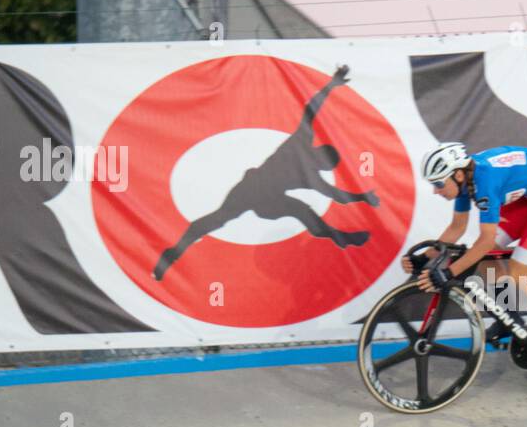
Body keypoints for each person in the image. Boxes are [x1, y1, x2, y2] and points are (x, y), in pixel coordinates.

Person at [153, 64, 378, 281]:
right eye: (323, 164)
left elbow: (336, 195)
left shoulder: (311, 172)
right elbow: (311, 111)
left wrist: (363, 198)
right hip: (251, 188)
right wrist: (330, 85)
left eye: (323, 168)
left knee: (302, 211)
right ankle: (173, 253)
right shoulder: (299, 144)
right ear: (319, 154)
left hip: (268, 201)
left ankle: (340, 238)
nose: (319, 167)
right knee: (216, 220)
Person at [404, 142, 527, 363]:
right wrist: (424, 257)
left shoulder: (484, 181)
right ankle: (509, 318)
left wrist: (450, 272)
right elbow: (457, 228)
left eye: (438, 183)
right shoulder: (466, 179)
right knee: (488, 254)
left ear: (456, 174)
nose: (436, 191)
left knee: (519, 270)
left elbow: (483, 241)